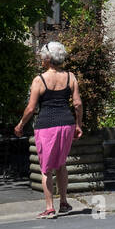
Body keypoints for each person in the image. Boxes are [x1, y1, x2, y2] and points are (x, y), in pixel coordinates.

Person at [15, 41, 83, 218]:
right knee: (61, 165)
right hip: (66, 124)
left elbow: (31, 108)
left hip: (46, 126)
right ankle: (64, 202)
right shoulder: (71, 77)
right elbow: (77, 104)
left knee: (46, 168)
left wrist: (20, 125)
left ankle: (49, 207)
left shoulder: (40, 80)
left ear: (47, 58)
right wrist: (78, 125)